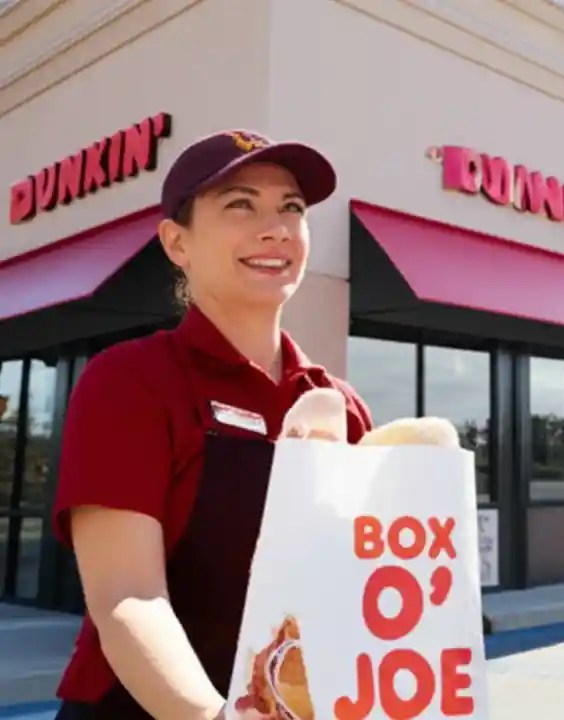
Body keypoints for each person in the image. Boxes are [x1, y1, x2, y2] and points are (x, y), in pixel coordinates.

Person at [50, 129, 374, 719]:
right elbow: (127, 596)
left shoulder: (341, 404)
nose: (275, 227)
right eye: (240, 205)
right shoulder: (131, 380)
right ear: (177, 242)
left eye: (291, 208)